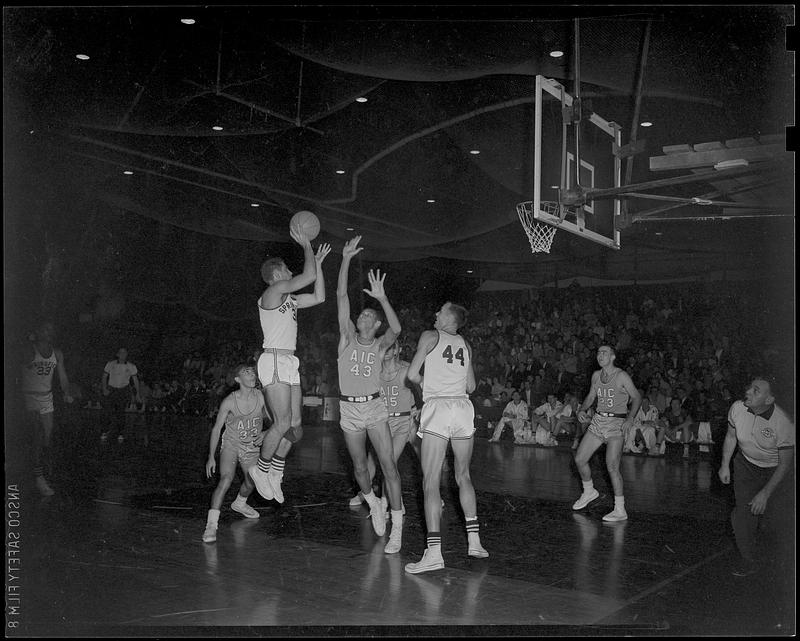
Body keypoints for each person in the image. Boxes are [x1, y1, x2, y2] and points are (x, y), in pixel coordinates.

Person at [248, 223, 331, 504]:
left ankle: (275, 472)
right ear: (276, 274)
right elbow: (306, 275)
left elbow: (319, 296)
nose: (289, 272)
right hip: (272, 358)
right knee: (282, 421)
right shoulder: (272, 293)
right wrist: (307, 246)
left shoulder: (290, 299)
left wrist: (318, 265)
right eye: (286, 269)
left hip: (288, 360)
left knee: (295, 425)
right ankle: (260, 470)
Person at [405, 301, 488, 574]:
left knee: (430, 482)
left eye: (439, 311)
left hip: (439, 407)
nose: (435, 313)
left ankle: (434, 553)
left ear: (449, 318)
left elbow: (412, 374)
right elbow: (472, 386)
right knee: (463, 475)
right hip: (463, 408)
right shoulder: (466, 344)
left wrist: (428, 385)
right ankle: (474, 542)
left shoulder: (430, 336)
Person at [336, 236, 404, 553]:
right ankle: (373, 503)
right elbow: (340, 296)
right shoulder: (347, 337)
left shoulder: (380, 344)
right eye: (360, 315)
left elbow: (397, 331)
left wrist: (384, 298)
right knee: (360, 469)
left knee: (388, 465)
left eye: (368, 316)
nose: (361, 317)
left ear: (375, 325)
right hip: (349, 411)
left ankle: (397, 525)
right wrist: (346, 258)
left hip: (375, 408)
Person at [718, 376, 794, 577]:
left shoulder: (782, 422)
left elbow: (785, 464)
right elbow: (731, 437)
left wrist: (765, 493)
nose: (748, 392)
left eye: (756, 391)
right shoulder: (737, 408)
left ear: (769, 400)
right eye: (749, 387)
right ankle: (748, 560)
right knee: (742, 514)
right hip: (746, 466)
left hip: (775, 472)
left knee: (776, 520)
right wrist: (724, 465)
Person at [349, 340, 420, 512]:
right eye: (384, 347)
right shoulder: (373, 371)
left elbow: (421, 389)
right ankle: (366, 493)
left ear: (397, 350)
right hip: (381, 422)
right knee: (372, 462)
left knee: (389, 461)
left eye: (391, 347)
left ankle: (389, 503)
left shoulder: (406, 370)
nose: (387, 350)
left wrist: (420, 407)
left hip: (403, 421)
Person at [572, 345, 641, 522]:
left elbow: (637, 397)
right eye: (598, 353)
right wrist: (582, 409)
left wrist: (630, 418)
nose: (600, 355)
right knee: (580, 459)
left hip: (616, 423)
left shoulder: (621, 376)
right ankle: (589, 491)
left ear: (612, 357)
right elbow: (590, 396)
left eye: (605, 353)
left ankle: (620, 509)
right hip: (598, 421)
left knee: (612, 467)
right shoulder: (596, 375)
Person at [202, 364, 267, 543]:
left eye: (253, 371)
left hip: (251, 447)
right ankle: (211, 525)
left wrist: (265, 433)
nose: (252, 374)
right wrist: (210, 457)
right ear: (238, 379)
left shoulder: (261, 397)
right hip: (231, 444)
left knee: (252, 481)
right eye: (246, 372)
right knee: (226, 479)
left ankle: (239, 503)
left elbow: (275, 421)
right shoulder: (230, 401)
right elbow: (216, 429)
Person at [20, 321, 73, 496]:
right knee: (37, 435)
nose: (49, 332)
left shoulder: (57, 353)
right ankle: (38, 477)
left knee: (46, 440)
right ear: (38, 332)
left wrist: (66, 392)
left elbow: (62, 376)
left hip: (46, 398)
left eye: (52, 330)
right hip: (29, 397)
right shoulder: (30, 350)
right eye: (45, 329)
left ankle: (37, 467)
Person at [101, 347, 141, 443]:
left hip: (123, 390)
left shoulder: (131, 366)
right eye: (121, 353)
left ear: (127, 355)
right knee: (107, 411)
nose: (123, 354)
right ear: (117, 354)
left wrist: (138, 394)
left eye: (125, 353)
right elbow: (104, 377)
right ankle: (105, 431)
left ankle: (120, 433)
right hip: (112, 389)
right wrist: (104, 388)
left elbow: (135, 380)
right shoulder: (110, 364)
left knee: (120, 412)